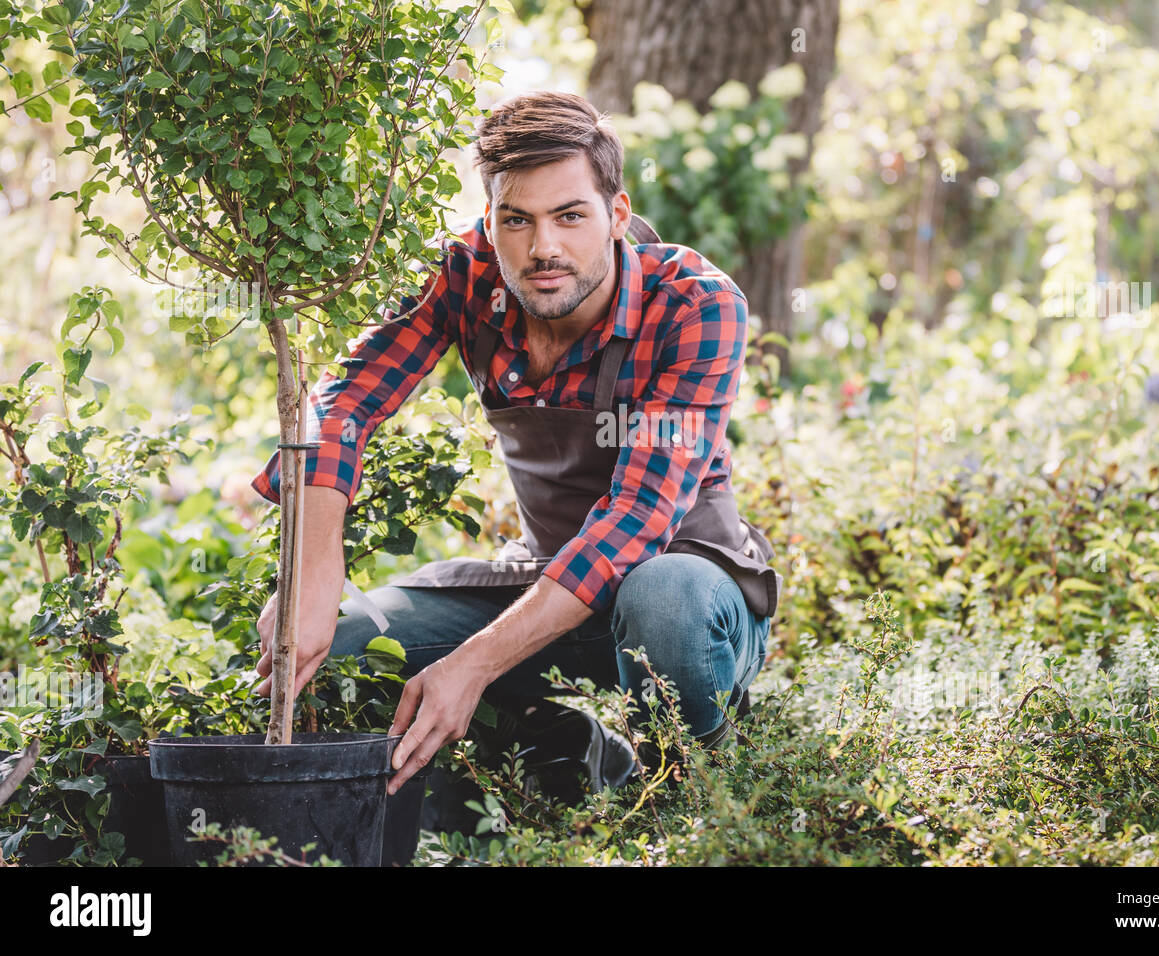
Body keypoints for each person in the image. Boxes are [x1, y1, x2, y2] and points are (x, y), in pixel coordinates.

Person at [248, 90, 782, 799]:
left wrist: (471, 665)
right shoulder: (464, 272)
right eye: (517, 221)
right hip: (545, 581)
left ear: (616, 215)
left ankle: (706, 779)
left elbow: (637, 521)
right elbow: (342, 404)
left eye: (570, 216)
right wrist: (313, 572)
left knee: (664, 601)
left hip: (686, 582)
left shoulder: (695, 304)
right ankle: (571, 751)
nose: (544, 249)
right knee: (347, 652)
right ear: (490, 222)